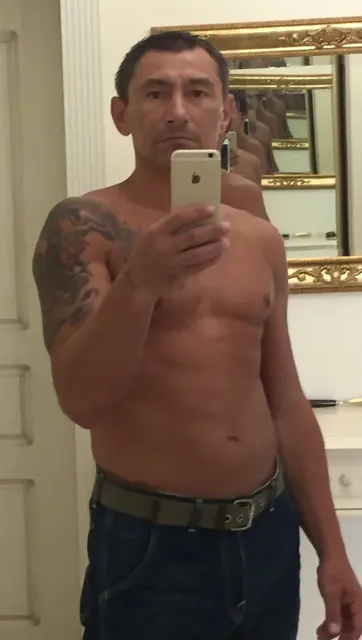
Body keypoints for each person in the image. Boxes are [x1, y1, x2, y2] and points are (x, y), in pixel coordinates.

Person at [32, 30, 362, 640]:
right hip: (152, 546)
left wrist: (333, 552)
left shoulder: (258, 236)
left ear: (227, 111)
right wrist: (141, 283)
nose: (178, 111)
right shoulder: (85, 226)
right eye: (156, 92)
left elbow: (285, 401)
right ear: (121, 114)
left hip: (266, 533)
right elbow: (81, 400)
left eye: (198, 92)